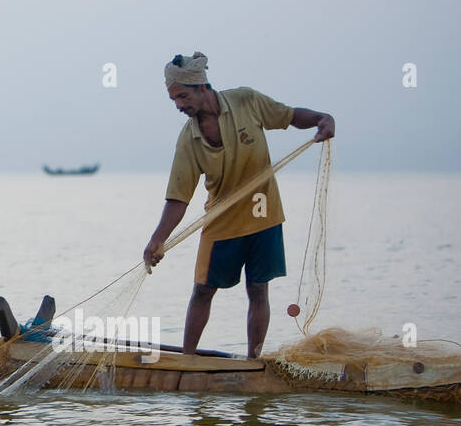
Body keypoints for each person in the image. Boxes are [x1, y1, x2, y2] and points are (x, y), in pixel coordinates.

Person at [142, 52, 334, 358]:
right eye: (173, 99)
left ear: (201, 87)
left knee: (258, 289)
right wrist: (157, 239)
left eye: (182, 96)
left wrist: (321, 119)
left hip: (263, 214)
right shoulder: (189, 139)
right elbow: (178, 197)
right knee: (203, 290)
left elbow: (288, 116)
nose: (178, 105)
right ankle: (188, 361)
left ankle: (252, 361)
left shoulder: (246, 101)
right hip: (221, 221)